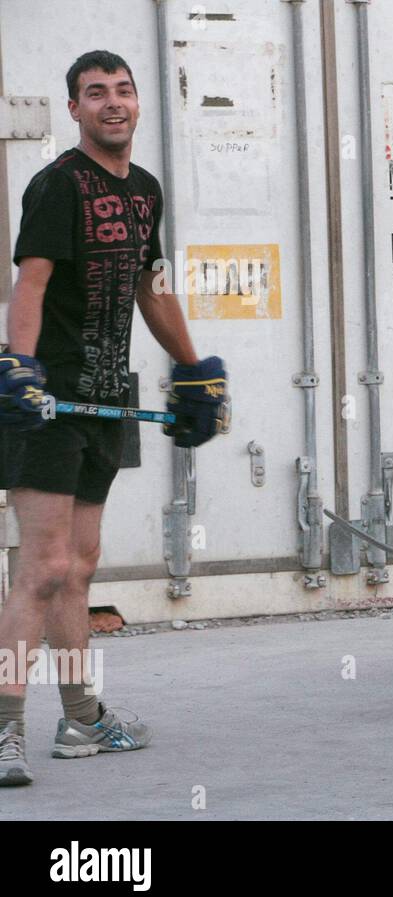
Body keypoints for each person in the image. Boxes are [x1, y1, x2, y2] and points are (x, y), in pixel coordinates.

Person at [0, 51, 228, 787]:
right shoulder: (57, 185)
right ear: (73, 109)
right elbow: (30, 281)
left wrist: (193, 367)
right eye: (95, 93)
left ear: (136, 103)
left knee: (80, 567)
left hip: (108, 401)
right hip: (48, 403)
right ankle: (4, 731)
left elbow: (149, 284)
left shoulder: (145, 192)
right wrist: (19, 367)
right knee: (39, 569)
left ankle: (82, 717)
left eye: (122, 90)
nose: (112, 103)